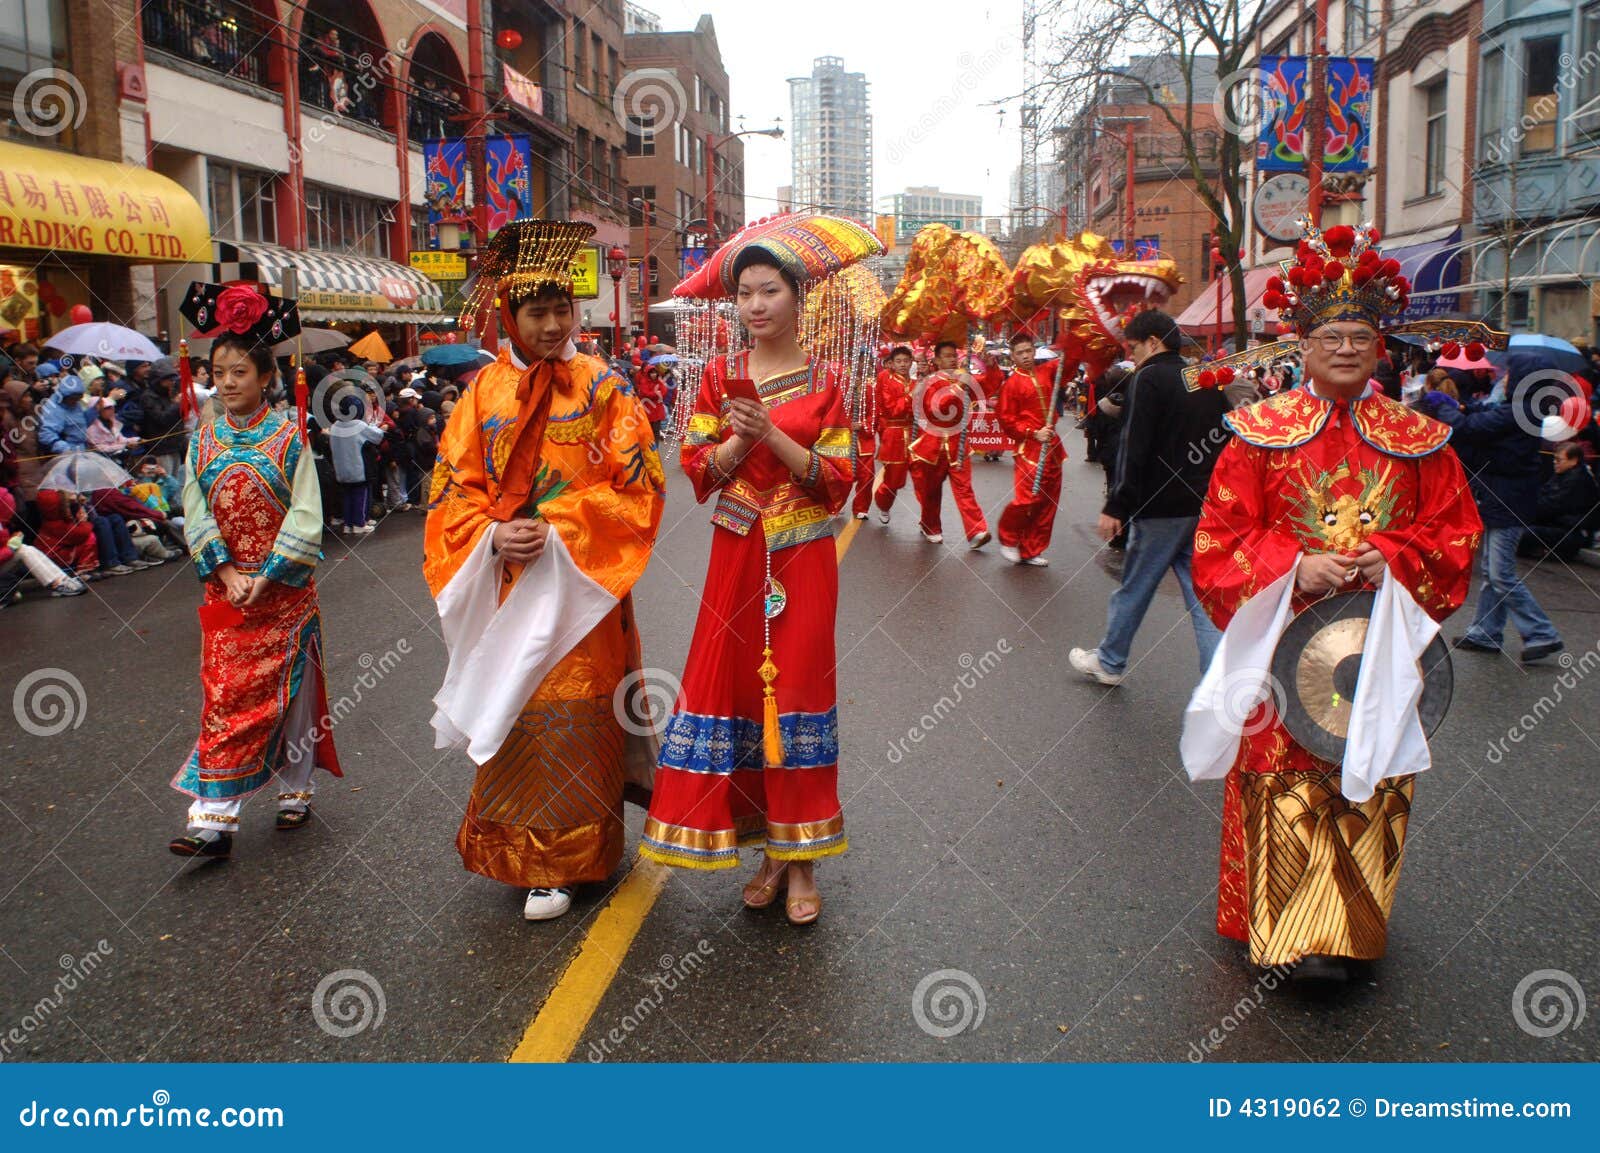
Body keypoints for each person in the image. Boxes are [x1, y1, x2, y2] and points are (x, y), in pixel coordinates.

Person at [1182, 222, 1483, 981]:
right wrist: (1294, 565)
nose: (1346, 348)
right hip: (1286, 637)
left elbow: (1455, 536)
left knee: (1369, 764)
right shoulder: (1256, 436)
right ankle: (1286, 927)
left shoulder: (1421, 439)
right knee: (1284, 769)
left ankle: (1346, 929)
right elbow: (1219, 541)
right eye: (1331, 336)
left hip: (1376, 641)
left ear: (1381, 345)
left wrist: (1390, 558)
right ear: (1303, 344)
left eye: (1360, 335)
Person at [424, 220, 664, 922]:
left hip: (582, 588)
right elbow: (449, 489)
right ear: (510, 314)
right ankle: (526, 857)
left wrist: (558, 526)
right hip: (507, 586)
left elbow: (640, 485)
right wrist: (494, 536)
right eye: (538, 312)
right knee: (521, 706)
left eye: (564, 309)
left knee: (579, 712)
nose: (555, 324)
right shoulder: (482, 396)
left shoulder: (605, 388)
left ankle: (572, 859)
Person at [639, 231, 857, 928]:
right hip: (736, 553)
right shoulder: (716, 376)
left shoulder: (827, 380)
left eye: (770, 290)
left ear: (799, 298)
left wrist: (771, 434)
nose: (755, 304)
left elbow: (841, 482)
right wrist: (738, 438)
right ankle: (767, 849)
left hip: (802, 558)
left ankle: (804, 859)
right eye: (744, 292)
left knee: (794, 698)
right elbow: (698, 471)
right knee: (736, 699)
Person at [168, 281, 341, 859]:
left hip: (283, 590)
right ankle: (214, 819)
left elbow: (307, 512)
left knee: (291, 695)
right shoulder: (203, 442)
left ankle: (296, 786)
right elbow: (194, 509)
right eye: (219, 372)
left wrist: (267, 575)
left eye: (239, 371)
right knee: (223, 696)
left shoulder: (290, 437)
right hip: (228, 591)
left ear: (266, 376)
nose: (227, 382)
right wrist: (224, 573)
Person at [1070, 310, 1227, 685]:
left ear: (1153, 342)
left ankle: (1109, 661)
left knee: (1135, 587)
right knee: (1202, 599)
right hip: (1202, 504)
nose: (1133, 355)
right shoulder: (1203, 378)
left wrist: (1117, 504)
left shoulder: (1149, 378)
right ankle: (1220, 681)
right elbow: (1226, 437)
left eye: (1135, 347)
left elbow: (1134, 445)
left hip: (1159, 506)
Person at [1431, 349, 1566, 663]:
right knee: (1494, 571)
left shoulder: (1518, 412)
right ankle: (1486, 631)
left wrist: (1447, 410)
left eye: (1510, 375)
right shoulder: (1523, 408)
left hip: (1509, 500)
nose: (1503, 379)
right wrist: (1461, 406)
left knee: (1501, 573)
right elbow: (1482, 415)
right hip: (1502, 497)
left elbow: (1471, 428)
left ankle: (1542, 632)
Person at [908, 340, 991, 547]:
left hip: (958, 444)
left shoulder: (964, 378)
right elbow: (935, 407)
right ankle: (930, 526)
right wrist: (958, 386)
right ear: (936, 360)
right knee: (931, 491)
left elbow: (988, 385)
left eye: (954, 355)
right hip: (932, 444)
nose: (952, 359)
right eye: (947, 355)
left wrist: (992, 367)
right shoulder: (929, 382)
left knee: (965, 489)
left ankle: (977, 531)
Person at [996, 333, 1063, 565]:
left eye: (1028, 350)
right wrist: (1033, 433)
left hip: (1053, 448)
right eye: (1020, 353)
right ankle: (1008, 537)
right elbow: (1006, 420)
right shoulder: (1011, 384)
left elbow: (1070, 362)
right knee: (1027, 499)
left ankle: (1031, 549)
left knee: (1047, 503)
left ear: (1034, 350)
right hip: (1030, 449)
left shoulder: (1047, 371)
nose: (1025, 356)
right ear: (1012, 356)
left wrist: (1074, 339)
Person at [1521, 442, 1600, 560]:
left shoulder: (1577, 481)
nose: (1554, 462)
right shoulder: (1562, 474)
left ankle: (1548, 551)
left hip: (1571, 531)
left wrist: (1525, 511)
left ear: (1573, 460)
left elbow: (1552, 505)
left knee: (1522, 532)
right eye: (1554, 459)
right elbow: (1544, 494)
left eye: (1559, 460)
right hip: (1557, 523)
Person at [871, 345, 916, 524]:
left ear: (911, 362)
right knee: (894, 480)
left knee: (925, 479)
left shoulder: (915, 383)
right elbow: (892, 410)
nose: (903, 364)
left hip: (915, 435)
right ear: (892, 364)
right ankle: (883, 503)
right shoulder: (887, 381)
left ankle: (930, 522)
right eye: (899, 361)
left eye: (906, 361)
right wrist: (911, 397)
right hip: (894, 435)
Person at [329, 397, 384, 534]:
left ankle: (348, 524)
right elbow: (377, 437)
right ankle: (360, 523)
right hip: (357, 467)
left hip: (341, 469)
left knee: (347, 495)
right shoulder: (358, 425)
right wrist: (374, 426)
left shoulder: (335, 426)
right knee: (361, 494)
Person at [38, 374, 91, 455]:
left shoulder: (75, 405)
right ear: (64, 396)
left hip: (81, 449)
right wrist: (63, 449)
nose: (75, 401)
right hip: (66, 453)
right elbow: (46, 433)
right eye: (73, 399)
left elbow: (81, 422)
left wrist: (94, 411)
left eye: (78, 399)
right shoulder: (53, 408)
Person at [85, 396, 140, 461]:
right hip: (102, 461)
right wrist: (125, 446)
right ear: (98, 410)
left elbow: (120, 439)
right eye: (107, 408)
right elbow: (100, 448)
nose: (112, 409)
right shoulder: (91, 428)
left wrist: (137, 440)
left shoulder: (112, 422)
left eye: (112, 407)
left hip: (117, 457)